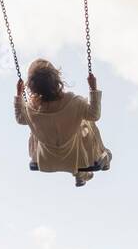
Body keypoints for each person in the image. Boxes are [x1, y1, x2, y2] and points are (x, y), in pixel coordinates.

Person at [14, 59, 112, 187]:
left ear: (32, 87)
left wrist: (19, 95)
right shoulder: (75, 102)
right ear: (57, 80)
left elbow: (20, 118)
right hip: (78, 158)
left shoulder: (30, 109)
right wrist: (93, 88)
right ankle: (103, 156)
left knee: (36, 127)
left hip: (45, 161)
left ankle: (81, 175)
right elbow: (94, 115)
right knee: (87, 123)